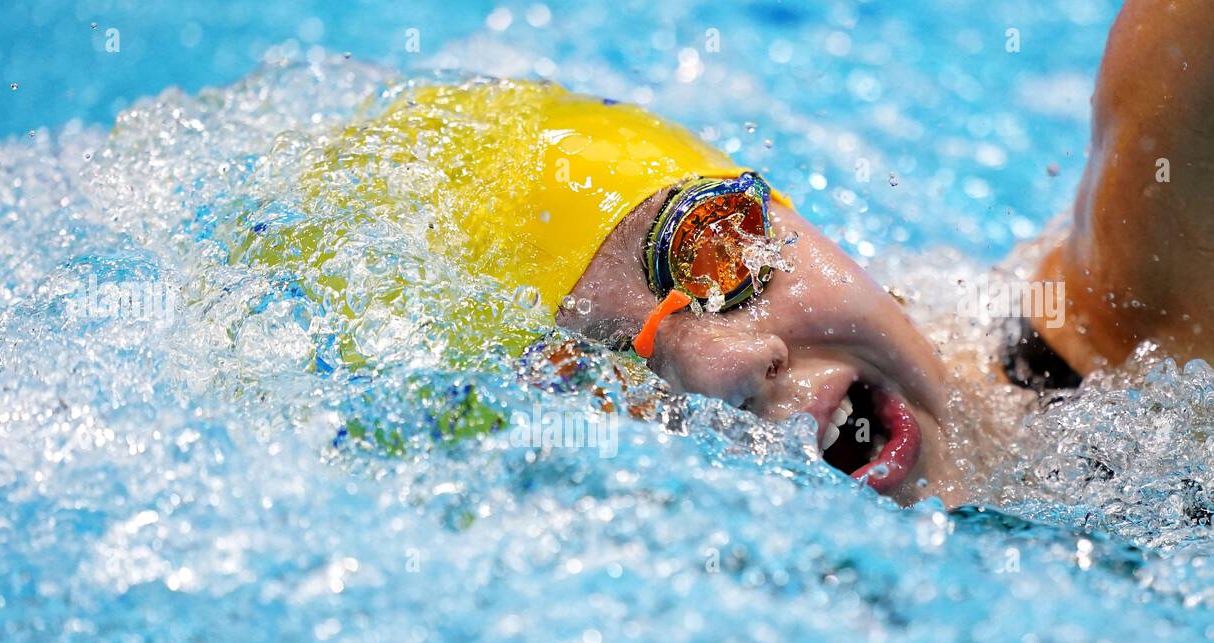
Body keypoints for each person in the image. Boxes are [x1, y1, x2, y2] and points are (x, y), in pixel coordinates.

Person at [327, 0, 1212, 505]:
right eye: (600, 377)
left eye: (710, 257)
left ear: (796, 218)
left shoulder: (1135, 325)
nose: (730, 365)